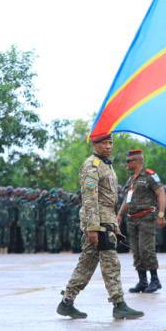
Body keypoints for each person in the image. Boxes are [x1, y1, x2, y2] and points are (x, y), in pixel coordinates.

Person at [56, 132, 142, 320]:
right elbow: (89, 198)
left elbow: (108, 200)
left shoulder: (106, 165)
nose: (109, 146)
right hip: (99, 224)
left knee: (86, 265)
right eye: (104, 143)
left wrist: (114, 225)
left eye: (110, 143)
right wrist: (93, 227)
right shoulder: (91, 165)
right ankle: (119, 304)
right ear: (95, 145)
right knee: (111, 262)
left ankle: (66, 303)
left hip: (106, 221)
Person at [118, 149, 166, 294]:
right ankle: (142, 281)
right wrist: (119, 215)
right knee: (137, 251)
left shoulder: (150, 176)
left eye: (129, 161)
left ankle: (155, 280)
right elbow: (127, 200)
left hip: (146, 218)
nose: (126, 164)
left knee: (146, 249)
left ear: (138, 161)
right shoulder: (131, 180)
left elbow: (161, 193)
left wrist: (161, 214)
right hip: (132, 220)